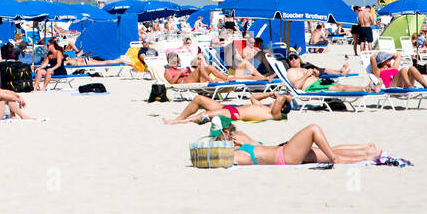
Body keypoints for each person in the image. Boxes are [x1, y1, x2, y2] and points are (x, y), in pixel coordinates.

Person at [216, 118, 381, 166]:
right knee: (313, 129)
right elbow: (240, 160)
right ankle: (339, 159)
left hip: (285, 152)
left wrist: (246, 141)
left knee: (326, 151)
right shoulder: (238, 154)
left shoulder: (240, 140)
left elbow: (258, 146)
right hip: (286, 156)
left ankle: (365, 153)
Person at [163, 93, 291, 125]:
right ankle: (179, 118)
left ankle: (177, 122)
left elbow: (285, 99)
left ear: (281, 107)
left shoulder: (274, 114)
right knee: (198, 99)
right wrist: (269, 94)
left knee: (205, 113)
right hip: (231, 108)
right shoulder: (265, 107)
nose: (275, 100)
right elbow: (253, 97)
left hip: (233, 114)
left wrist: (282, 97)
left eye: (278, 101)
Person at [282, 53, 366, 93]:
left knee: (343, 86)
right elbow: (296, 86)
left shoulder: (303, 69)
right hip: (312, 88)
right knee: (339, 88)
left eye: (295, 57)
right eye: (291, 58)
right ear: (288, 61)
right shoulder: (291, 71)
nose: (293, 59)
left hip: (319, 83)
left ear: (299, 59)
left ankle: (365, 88)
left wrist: (316, 75)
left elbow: (312, 78)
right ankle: (364, 89)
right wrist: (307, 75)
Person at [160, 51, 230, 85]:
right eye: (174, 62)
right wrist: (180, 73)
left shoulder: (180, 68)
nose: (176, 63)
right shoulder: (167, 70)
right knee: (199, 68)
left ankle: (226, 79)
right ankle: (211, 81)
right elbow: (171, 82)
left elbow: (191, 75)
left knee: (210, 67)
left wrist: (188, 71)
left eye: (177, 61)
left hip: (191, 79)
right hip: (183, 82)